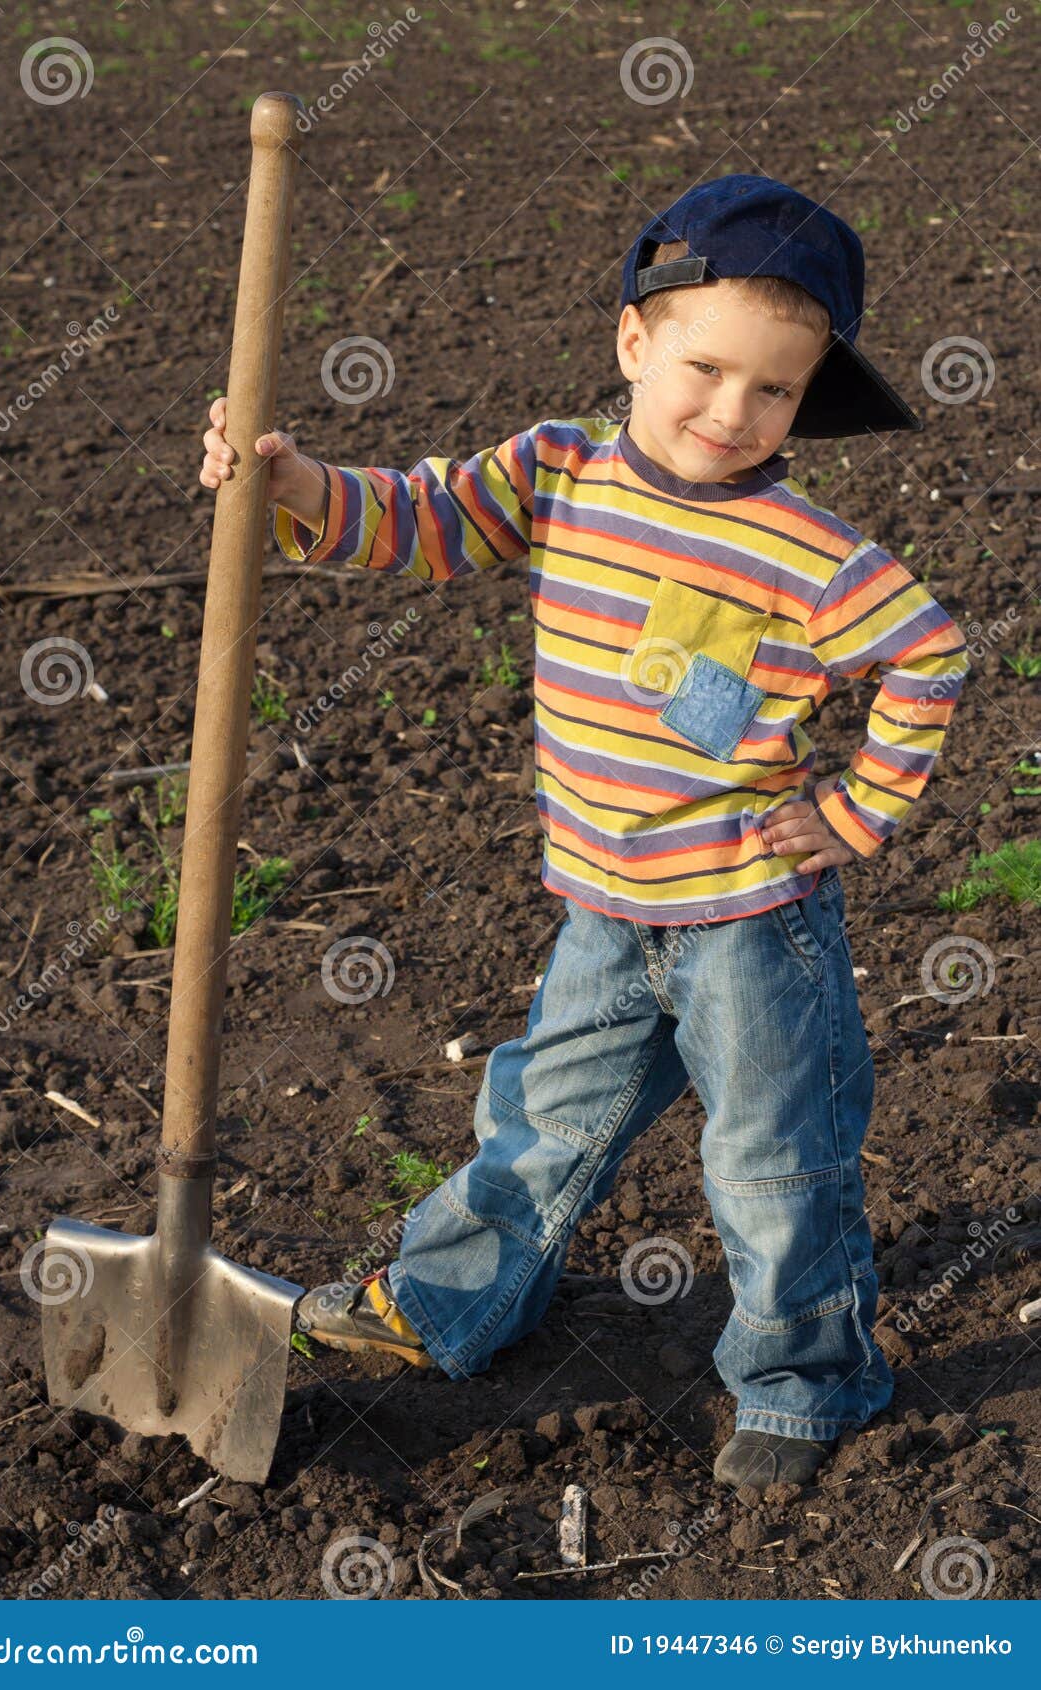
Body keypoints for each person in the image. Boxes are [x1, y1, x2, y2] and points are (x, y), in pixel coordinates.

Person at [199, 174, 970, 1496]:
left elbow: (931, 654)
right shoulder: (557, 472)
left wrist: (848, 814)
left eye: (775, 391)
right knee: (543, 1120)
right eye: (706, 367)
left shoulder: (808, 551)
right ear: (633, 343)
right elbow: (430, 520)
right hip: (607, 907)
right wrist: (296, 482)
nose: (733, 411)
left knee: (775, 1162)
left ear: (808, 397)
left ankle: (806, 1375)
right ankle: (447, 1303)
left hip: (752, 924)